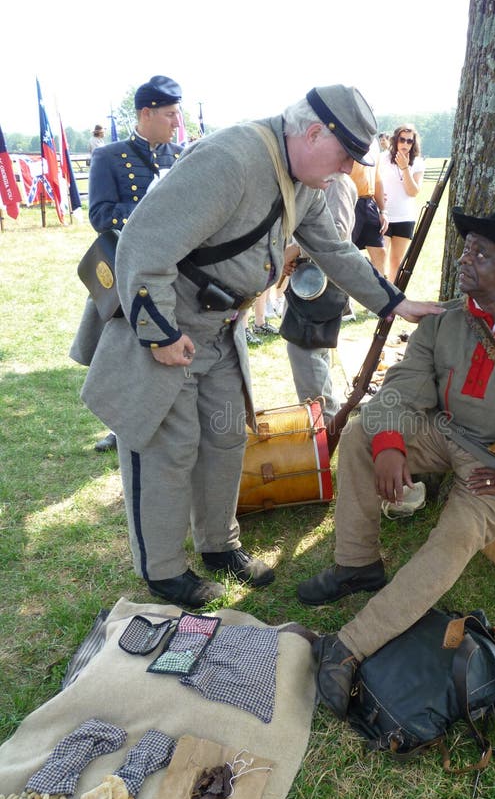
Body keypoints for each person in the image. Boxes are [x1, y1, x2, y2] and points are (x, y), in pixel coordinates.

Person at [78, 84, 443, 609]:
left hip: (221, 328)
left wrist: (393, 304)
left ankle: (219, 546)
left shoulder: (303, 179)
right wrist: (158, 333)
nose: (347, 170)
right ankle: (162, 572)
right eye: (344, 156)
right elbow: (143, 243)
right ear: (314, 133)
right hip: (168, 324)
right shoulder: (231, 159)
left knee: (225, 442)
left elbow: (336, 251)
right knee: (167, 448)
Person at [299, 208, 495, 720]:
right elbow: (406, 382)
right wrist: (392, 442)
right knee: (359, 436)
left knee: (456, 534)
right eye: (467, 249)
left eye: (481, 253)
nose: (466, 259)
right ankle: (357, 564)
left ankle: (348, 646)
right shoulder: (450, 318)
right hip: (443, 434)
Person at [72, 76, 183, 453]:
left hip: (172, 271)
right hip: (126, 269)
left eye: (177, 114)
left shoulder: (181, 156)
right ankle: (120, 424)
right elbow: (100, 216)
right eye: (169, 114)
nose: (175, 122)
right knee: (123, 347)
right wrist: (147, 209)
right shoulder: (110, 156)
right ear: (145, 113)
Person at [283, 172, 358, 420]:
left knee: (308, 356)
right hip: (307, 280)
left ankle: (324, 428)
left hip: (321, 285)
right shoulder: (316, 180)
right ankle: (323, 429)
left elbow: (337, 236)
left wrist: (295, 249)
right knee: (310, 356)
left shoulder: (338, 184)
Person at [380, 124, 425, 281]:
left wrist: (405, 168)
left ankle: (393, 298)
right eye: (402, 140)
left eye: (409, 141)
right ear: (395, 140)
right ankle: (378, 299)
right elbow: (373, 183)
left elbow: (413, 192)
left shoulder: (418, 162)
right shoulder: (383, 159)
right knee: (380, 259)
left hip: (405, 218)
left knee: (396, 262)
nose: (405, 144)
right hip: (384, 216)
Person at [349, 144, 387, 277]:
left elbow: (377, 178)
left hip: (369, 203)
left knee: (380, 251)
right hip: (348, 201)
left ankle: (383, 295)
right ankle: (341, 296)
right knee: (346, 254)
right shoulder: (349, 134)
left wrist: (383, 211)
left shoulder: (375, 144)